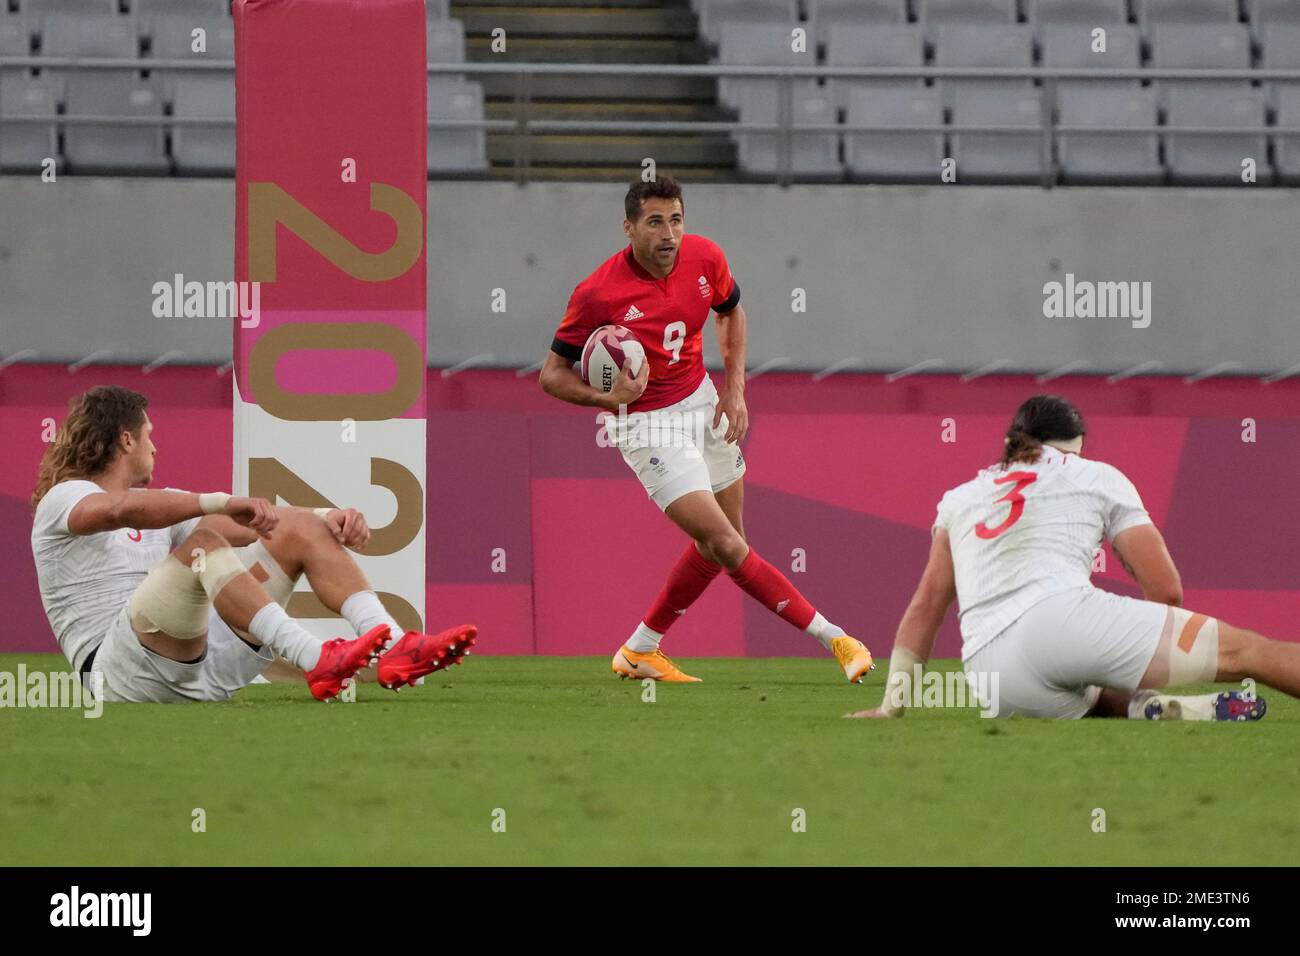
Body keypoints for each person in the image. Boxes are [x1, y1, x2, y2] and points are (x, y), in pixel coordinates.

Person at [538, 175, 873, 684]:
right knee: (727, 544)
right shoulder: (598, 294)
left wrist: (735, 388)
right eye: (654, 222)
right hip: (647, 426)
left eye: (675, 220)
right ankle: (837, 639)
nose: (668, 234)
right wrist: (607, 398)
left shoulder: (705, 258)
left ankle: (640, 649)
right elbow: (551, 376)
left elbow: (731, 311)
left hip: (703, 403)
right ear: (628, 228)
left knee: (725, 543)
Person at [849, 394, 1288, 721]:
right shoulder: (1095, 475)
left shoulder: (961, 497)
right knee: (1251, 652)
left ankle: (1186, 711)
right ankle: (1161, 689)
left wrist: (892, 707)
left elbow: (927, 607)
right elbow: (1165, 589)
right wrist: (1148, 650)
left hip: (991, 676)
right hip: (1060, 619)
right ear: (1072, 447)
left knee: (1094, 693)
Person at [30, 385, 476, 703]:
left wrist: (326, 517)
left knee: (295, 531)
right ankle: (314, 657)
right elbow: (114, 511)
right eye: (149, 436)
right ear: (126, 439)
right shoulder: (65, 497)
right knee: (203, 543)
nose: (155, 448)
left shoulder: (155, 506)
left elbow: (255, 526)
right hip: (118, 674)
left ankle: (396, 647)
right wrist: (219, 500)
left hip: (196, 667)